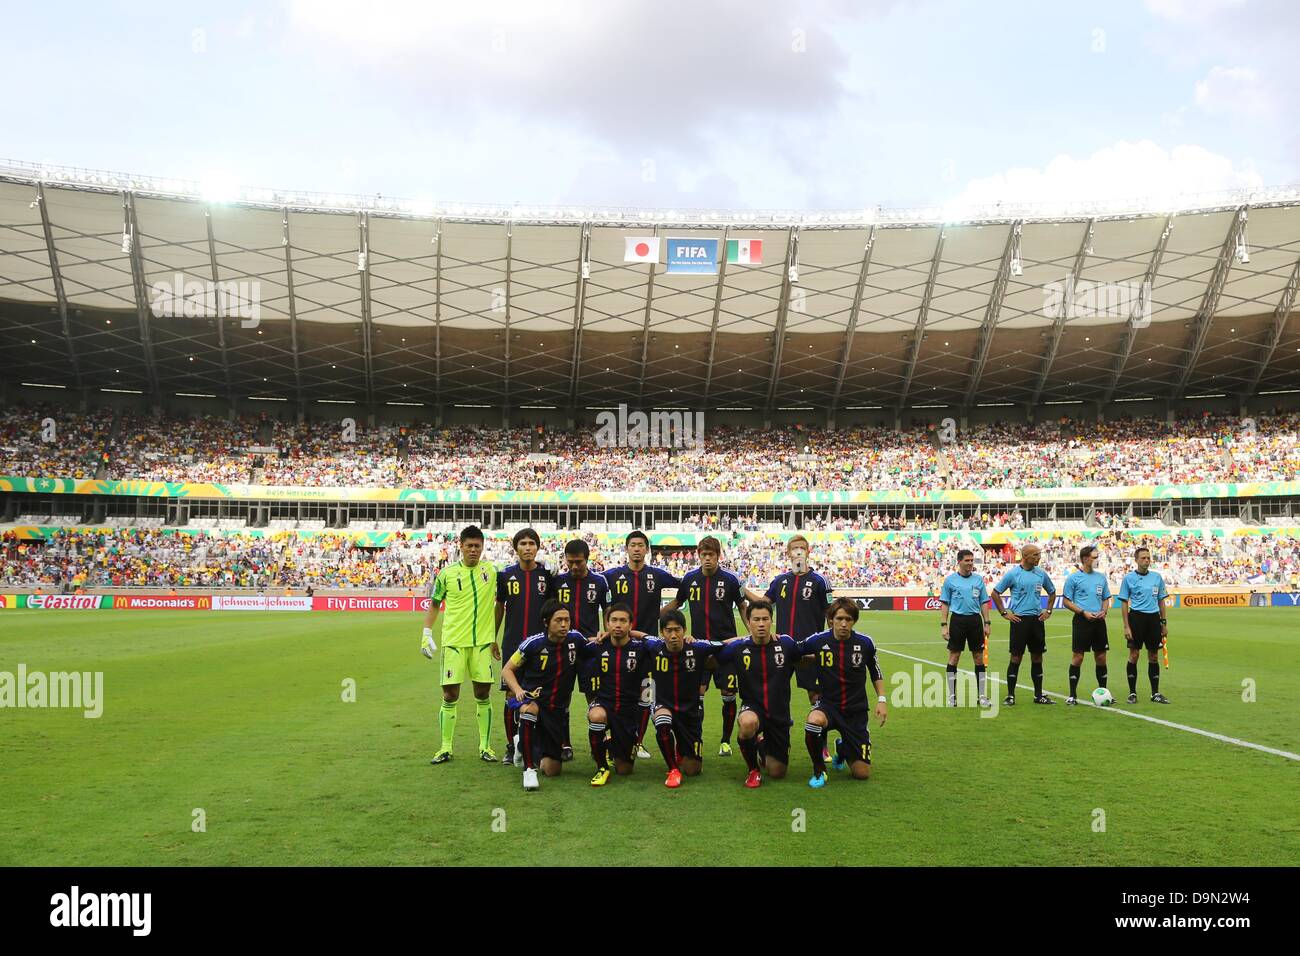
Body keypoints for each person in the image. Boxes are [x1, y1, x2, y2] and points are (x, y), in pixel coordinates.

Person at [421, 525, 501, 764]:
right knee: (450, 693)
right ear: (461, 547)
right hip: (454, 643)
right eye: (469, 546)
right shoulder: (447, 574)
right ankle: (445, 747)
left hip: (482, 644)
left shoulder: (492, 571)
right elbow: (434, 603)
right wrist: (426, 632)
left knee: (483, 692)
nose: (474, 550)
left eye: (478, 546)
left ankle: (485, 747)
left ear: (482, 547)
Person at [664, 535, 747, 756]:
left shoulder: (731, 579)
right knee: (697, 693)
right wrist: (656, 615)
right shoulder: (690, 578)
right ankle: (696, 738)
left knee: (728, 692)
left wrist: (750, 634)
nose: (707, 558)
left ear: (718, 556)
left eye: (711, 554)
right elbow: (677, 603)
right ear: (698, 555)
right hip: (698, 646)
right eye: (704, 554)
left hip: (725, 646)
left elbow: (742, 606)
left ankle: (725, 741)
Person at [603, 531, 683, 760]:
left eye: (641, 545)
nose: (637, 549)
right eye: (633, 545)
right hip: (619, 645)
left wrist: (663, 613)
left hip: (648, 647)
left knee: (646, 693)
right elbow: (598, 591)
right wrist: (607, 628)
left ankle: (637, 742)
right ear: (626, 549)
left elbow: (683, 588)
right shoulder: (613, 575)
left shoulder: (657, 575)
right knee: (619, 693)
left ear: (647, 550)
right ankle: (613, 738)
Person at [501, 600, 591, 791]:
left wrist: (602, 636)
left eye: (567, 620)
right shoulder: (532, 644)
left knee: (552, 770)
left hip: (556, 710)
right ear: (546, 622)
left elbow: (593, 647)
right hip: (532, 700)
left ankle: (522, 745)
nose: (564, 625)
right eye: (558, 620)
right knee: (530, 709)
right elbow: (507, 670)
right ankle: (529, 770)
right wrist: (518, 690)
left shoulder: (576, 639)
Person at [718, 599, 806, 788]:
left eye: (765, 619)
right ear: (748, 622)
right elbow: (713, 651)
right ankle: (753, 770)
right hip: (753, 707)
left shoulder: (785, 644)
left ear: (771, 621)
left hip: (779, 713)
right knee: (748, 723)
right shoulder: (739, 647)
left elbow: (803, 657)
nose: (761, 624)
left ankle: (762, 743)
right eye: (756, 619)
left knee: (777, 772)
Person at [800, 598, 887, 788]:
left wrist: (882, 699)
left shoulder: (865, 643)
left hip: (856, 712)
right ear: (831, 620)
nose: (844, 623)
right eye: (839, 618)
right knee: (813, 722)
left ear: (854, 621)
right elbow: (793, 651)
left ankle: (843, 747)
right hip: (829, 706)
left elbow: (876, 672)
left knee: (861, 773)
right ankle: (819, 770)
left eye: (848, 619)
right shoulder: (818, 640)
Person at [643, 608, 727, 787]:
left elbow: (727, 644)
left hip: (689, 714)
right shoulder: (654, 646)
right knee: (663, 720)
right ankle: (672, 769)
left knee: (693, 770)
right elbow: (639, 635)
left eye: (677, 630)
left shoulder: (697, 647)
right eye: (669, 630)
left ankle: (681, 749)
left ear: (685, 630)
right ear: (662, 633)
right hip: (663, 705)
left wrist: (751, 637)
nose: (673, 635)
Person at [496, 527, 555, 764]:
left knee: (541, 694)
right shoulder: (505, 575)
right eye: (523, 544)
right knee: (512, 694)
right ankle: (512, 746)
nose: (528, 547)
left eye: (532, 543)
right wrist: (493, 636)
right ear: (516, 548)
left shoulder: (547, 575)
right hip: (512, 643)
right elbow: (499, 605)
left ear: (538, 548)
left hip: (541, 645)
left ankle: (539, 743)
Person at [585, 603, 653, 786]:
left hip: (627, 711)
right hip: (604, 705)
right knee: (596, 716)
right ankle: (602, 767)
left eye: (623, 621)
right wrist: (600, 636)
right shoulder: (597, 647)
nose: (618, 625)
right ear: (606, 624)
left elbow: (657, 642)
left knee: (624, 770)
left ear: (630, 625)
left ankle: (609, 744)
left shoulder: (641, 649)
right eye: (613, 620)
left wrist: (637, 634)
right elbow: (575, 644)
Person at [990, 543, 1056, 706]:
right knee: (1016, 657)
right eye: (1035, 555)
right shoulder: (1013, 574)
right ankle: (1011, 695)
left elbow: (1052, 592)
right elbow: (995, 593)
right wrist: (1004, 613)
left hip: (1036, 620)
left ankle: (1038, 695)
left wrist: (1048, 610)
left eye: (1039, 554)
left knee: (1037, 657)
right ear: (1025, 556)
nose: (1038, 558)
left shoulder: (1041, 574)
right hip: (1019, 621)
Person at [938, 548, 992, 707]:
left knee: (978, 658)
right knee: (954, 657)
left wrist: (987, 623)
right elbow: (945, 603)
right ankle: (952, 696)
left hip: (975, 621)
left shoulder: (978, 580)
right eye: (967, 560)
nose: (970, 563)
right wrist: (944, 625)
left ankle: (981, 696)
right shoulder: (950, 581)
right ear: (959, 561)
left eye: (972, 560)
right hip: (958, 621)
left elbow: (984, 602)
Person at [1119, 546, 1171, 704]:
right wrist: (1126, 626)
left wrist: (1163, 623)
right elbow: (1124, 603)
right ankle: (1132, 693)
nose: (1146, 560)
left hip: (1153, 619)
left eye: (1148, 558)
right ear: (1136, 560)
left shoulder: (1157, 577)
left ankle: (1155, 693)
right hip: (1136, 618)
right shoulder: (1128, 578)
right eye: (1143, 558)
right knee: (1134, 655)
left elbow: (1161, 600)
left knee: (1153, 656)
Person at [1061, 544, 1112, 705]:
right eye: (1094, 557)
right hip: (1082, 621)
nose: (1097, 559)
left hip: (1099, 622)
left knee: (1101, 657)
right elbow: (1066, 601)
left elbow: (1105, 598)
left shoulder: (1101, 578)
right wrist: (1083, 612)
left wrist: (1104, 611)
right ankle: (1072, 695)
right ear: (1085, 559)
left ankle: (1103, 692)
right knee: (1078, 657)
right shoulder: (1074, 578)